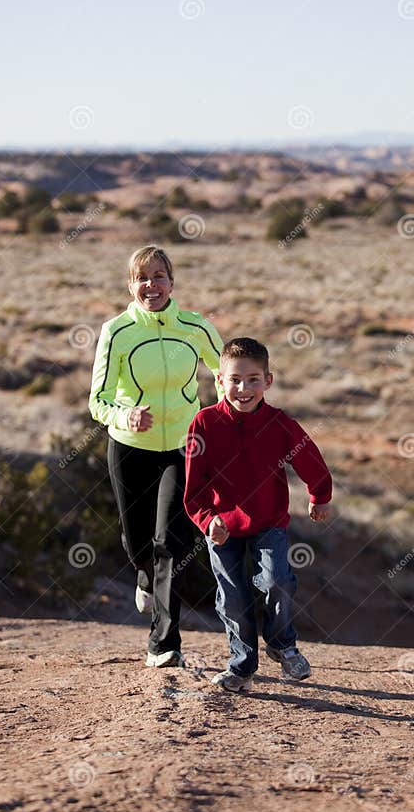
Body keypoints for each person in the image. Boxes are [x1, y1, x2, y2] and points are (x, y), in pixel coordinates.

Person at [89, 245, 223, 668]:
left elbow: (225, 374)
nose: (152, 285)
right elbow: (98, 400)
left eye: (159, 276)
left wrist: (220, 423)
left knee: (171, 541)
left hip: (184, 447)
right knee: (137, 540)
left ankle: (163, 644)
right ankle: (143, 573)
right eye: (143, 278)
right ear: (131, 285)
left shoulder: (195, 327)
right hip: (129, 447)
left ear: (172, 281)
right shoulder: (117, 331)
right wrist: (125, 415)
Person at [184, 337, 332, 693]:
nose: (243, 388)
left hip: (268, 521)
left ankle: (282, 645)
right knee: (233, 597)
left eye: (253, 379)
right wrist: (208, 520)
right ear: (219, 382)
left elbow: (309, 458)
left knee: (276, 581)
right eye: (234, 379)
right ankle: (242, 664)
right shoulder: (203, 424)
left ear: (268, 381)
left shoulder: (279, 424)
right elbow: (193, 489)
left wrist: (320, 495)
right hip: (222, 528)